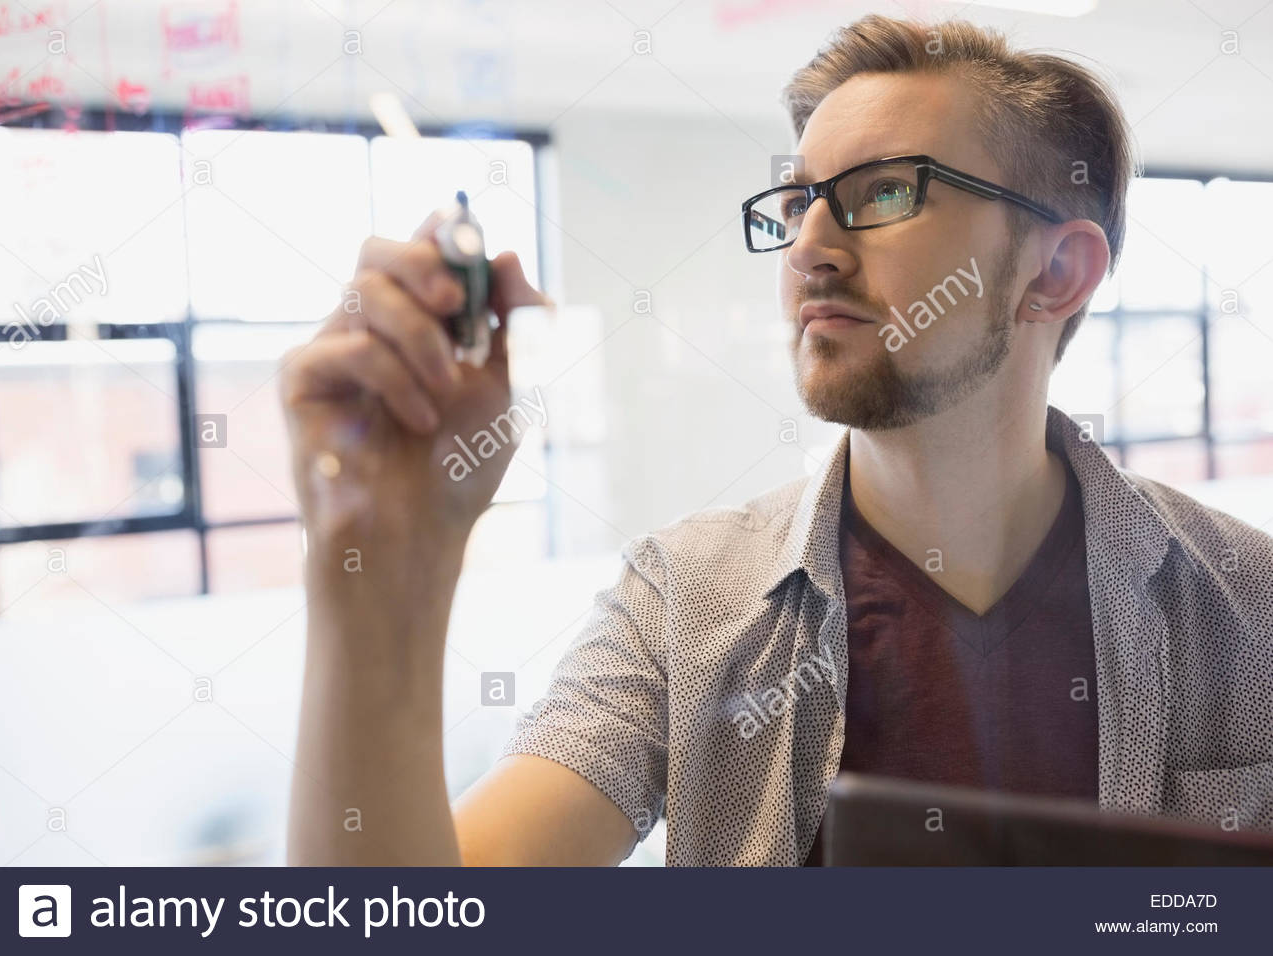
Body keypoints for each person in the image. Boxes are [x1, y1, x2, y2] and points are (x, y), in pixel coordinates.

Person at [283, 15, 1273, 866]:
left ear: (1055, 272)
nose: (808, 244)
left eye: (884, 192)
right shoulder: (684, 603)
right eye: (797, 201)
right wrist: (368, 579)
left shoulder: (1249, 602)